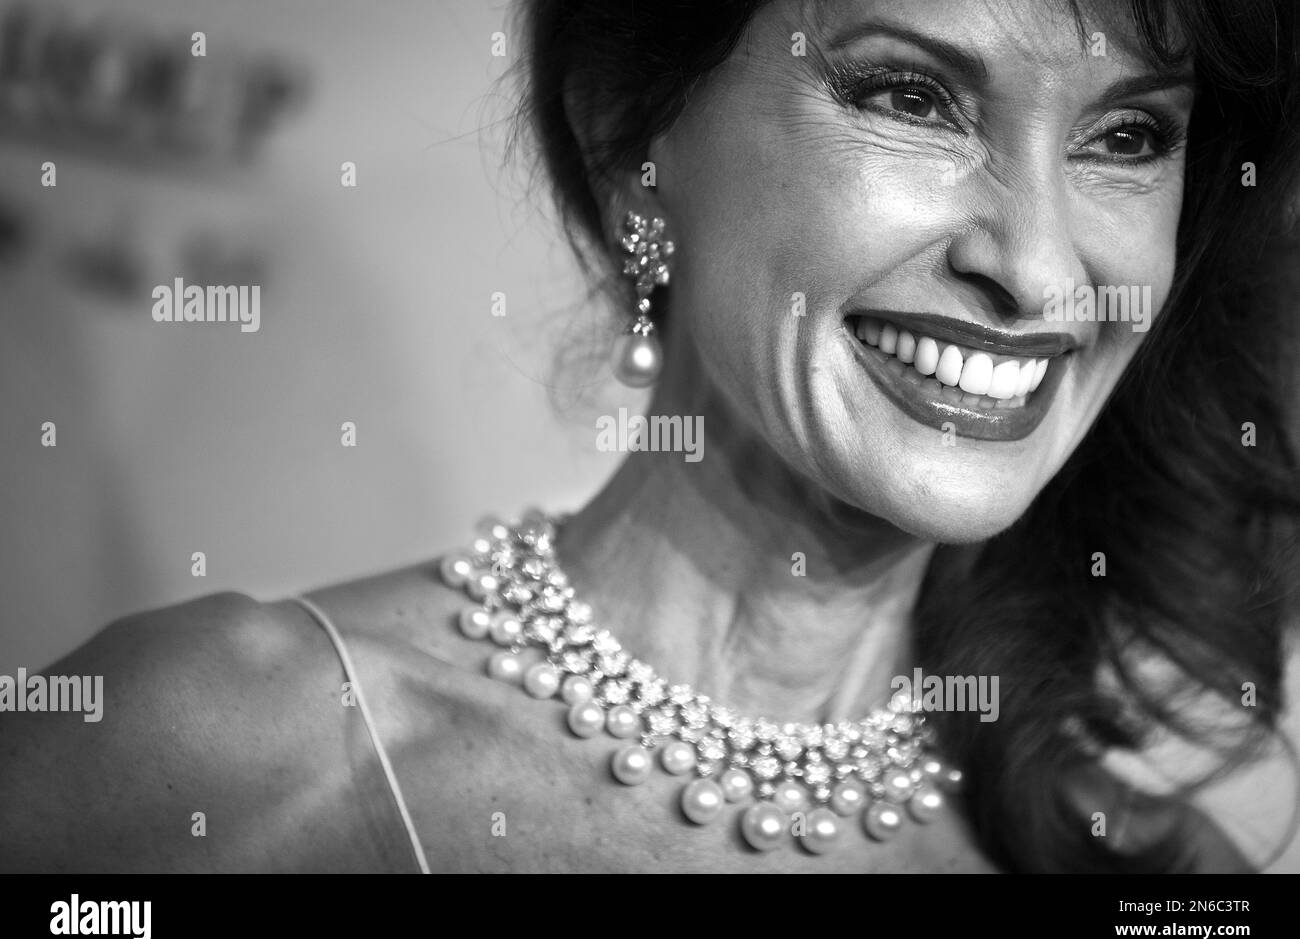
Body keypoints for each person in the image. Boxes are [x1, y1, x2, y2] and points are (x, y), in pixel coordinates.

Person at [2, 0, 1298, 873]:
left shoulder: (1146, 865)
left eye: (1130, 135)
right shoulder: (207, 748)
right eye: (912, 96)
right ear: (631, 136)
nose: (1042, 270)